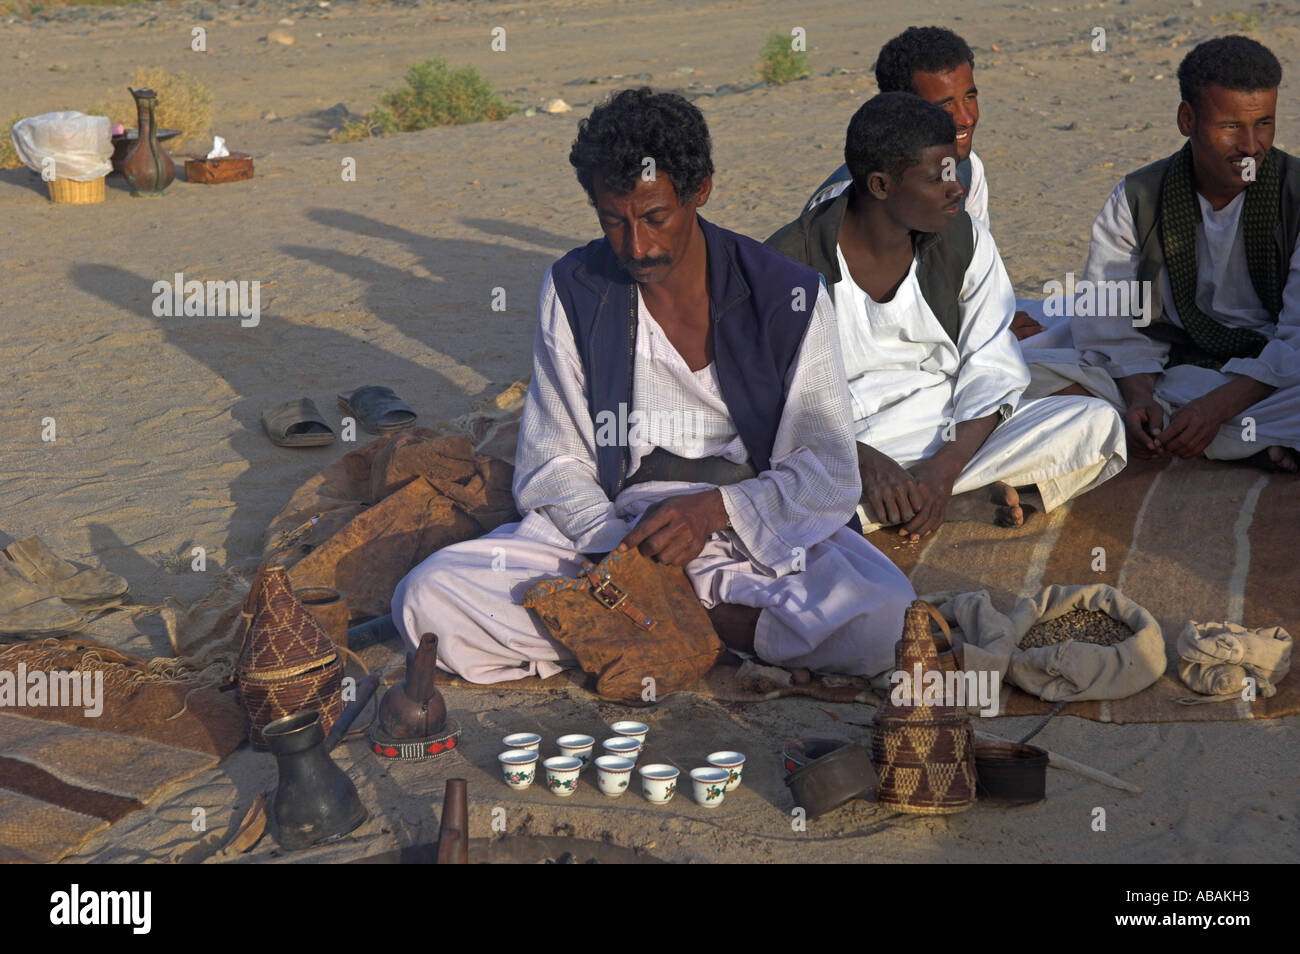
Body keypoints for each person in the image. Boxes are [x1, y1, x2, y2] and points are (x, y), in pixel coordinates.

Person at [393, 89, 916, 683]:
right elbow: (553, 462)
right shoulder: (575, 287)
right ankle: (696, 626)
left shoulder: (787, 294)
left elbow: (827, 470)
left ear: (699, 192)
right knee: (426, 599)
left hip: (750, 530)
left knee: (888, 625)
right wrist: (625, 558)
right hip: (617, 528)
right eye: (613, 222)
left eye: (654, 218)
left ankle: (636, 630)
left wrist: (716, 510)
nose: (635, 246)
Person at [768, 93, 1127, 542]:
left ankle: (906, 502)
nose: (956, 188)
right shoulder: (786, 267)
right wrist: (869, 462)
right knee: (774, 479)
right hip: (845, 441)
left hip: (946, 423)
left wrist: (944, 468)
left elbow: (991, 367)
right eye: (936, 178)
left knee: (1097, 424)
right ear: (880, 185)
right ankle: (916, 501)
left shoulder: (963, 240)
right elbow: (776, 405)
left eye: (953, 170)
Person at [1065, 36, 1300, 472]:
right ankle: (1213, 435)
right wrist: (1139, 398)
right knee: (1040, 368)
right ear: (1187, 119)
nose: (1251, 145)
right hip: (1172, 369)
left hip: (1272, 380)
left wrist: (1215, 409)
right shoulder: (1138, 198)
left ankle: (1189, 431)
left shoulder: (1296, 193)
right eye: (1231, 127)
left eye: (1264, 123)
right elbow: (1109, 322)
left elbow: (1298, 338)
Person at [803, 26, 1048, 341]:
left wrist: (987, 320)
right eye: (945, 105)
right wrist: (975, 330)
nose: (965, 118)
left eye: (970, 97)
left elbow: (969, 274)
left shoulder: (968, 171)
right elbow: (843, 321)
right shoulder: (847, 198)